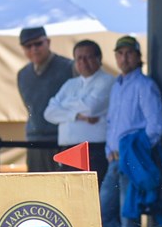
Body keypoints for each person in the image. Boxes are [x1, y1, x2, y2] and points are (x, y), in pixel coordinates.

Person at [101, 35, 162, 227]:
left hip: (131, 159)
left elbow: (156, 125)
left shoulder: (144, 85)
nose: (124, 58)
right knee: (101, 214)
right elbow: (111, 123)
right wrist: (109, 150)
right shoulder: (117, 86)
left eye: (129, 53)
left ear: (138, 56)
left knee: (128, 216)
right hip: (114, 159)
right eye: (120, 53)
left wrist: (136, 150)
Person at [44, 39, 114, 183]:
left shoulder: (107, 81)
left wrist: (65, 105)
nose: (83, 62)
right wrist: (76, 115)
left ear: (99, 58)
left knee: (92, 193)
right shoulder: (70, 84)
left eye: (88, 57)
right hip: (67, 149)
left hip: (93, 150)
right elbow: (49, 112)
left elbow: (90, 108)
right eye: (79, 58)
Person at [16, 26, 76, 172]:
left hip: (63, 141)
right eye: (28, 46)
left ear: (48, 42)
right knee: (36, 185)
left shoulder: (69, 67)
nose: (34, 49)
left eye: (38, 44)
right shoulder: (23, 75)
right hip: (34, 141)